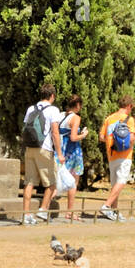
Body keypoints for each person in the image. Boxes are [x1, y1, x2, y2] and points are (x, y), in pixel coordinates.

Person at [21, 83, 65, 225]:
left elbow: (25, 127)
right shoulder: (53, 110)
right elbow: (55, 132)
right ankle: (43, 210)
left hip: (30, 147)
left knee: (29, 182)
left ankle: (26, 214)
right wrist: (59, 153)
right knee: (51, 183)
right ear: (52, 96)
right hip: (44, 148)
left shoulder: (30, 109)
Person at [98, 96, 135, 222]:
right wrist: (127, 146)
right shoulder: (129, 119)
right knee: (122, 181)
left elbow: (102, 137)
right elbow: (131, 139)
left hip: (111, 154)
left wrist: (112, 140)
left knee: (115, 184)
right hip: (124, 155)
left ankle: (114, 211)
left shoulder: (109, 118)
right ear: (129, 106)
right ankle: (106, 206)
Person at [59, 94, 89, 222]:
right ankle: (70, 212)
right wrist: (83, 135)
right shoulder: (75, 118)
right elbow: (73, 137)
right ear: (77, 105)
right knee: (73, 182)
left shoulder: (61, 115)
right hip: (72, 152)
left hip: (62, 150)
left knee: (60, 180)